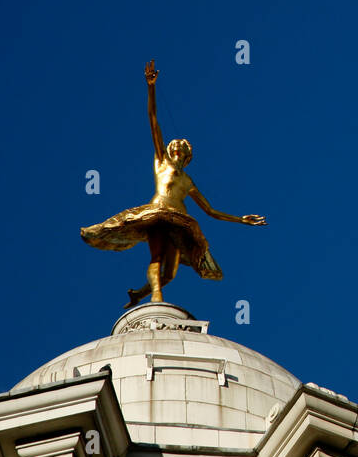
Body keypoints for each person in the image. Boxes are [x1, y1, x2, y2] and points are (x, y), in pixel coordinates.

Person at [80, 60, 266, 308]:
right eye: (174, 146)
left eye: (182, 148)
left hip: (181, 220)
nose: (177, 148)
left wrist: (241, 219)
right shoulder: (161, 162)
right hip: (158, 213)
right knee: (156, 255)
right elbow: (153, 120)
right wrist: (151, 87)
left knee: (171, 273)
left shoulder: (188, 181)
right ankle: (156, 297)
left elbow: (210, 211)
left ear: (187, 156)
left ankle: (141, 293)